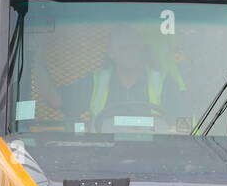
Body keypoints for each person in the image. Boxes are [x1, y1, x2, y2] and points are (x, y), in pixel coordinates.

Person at [34, 24, 187, 132]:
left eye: (135, 46)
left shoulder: (164, 82)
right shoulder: (94, 82)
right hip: (100, 161)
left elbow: (181, 127)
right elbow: (55, 100)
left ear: (142, 48)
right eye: (123, 48)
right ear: (111, 53)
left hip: (153, 159)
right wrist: (35, 62)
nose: (131, 52)